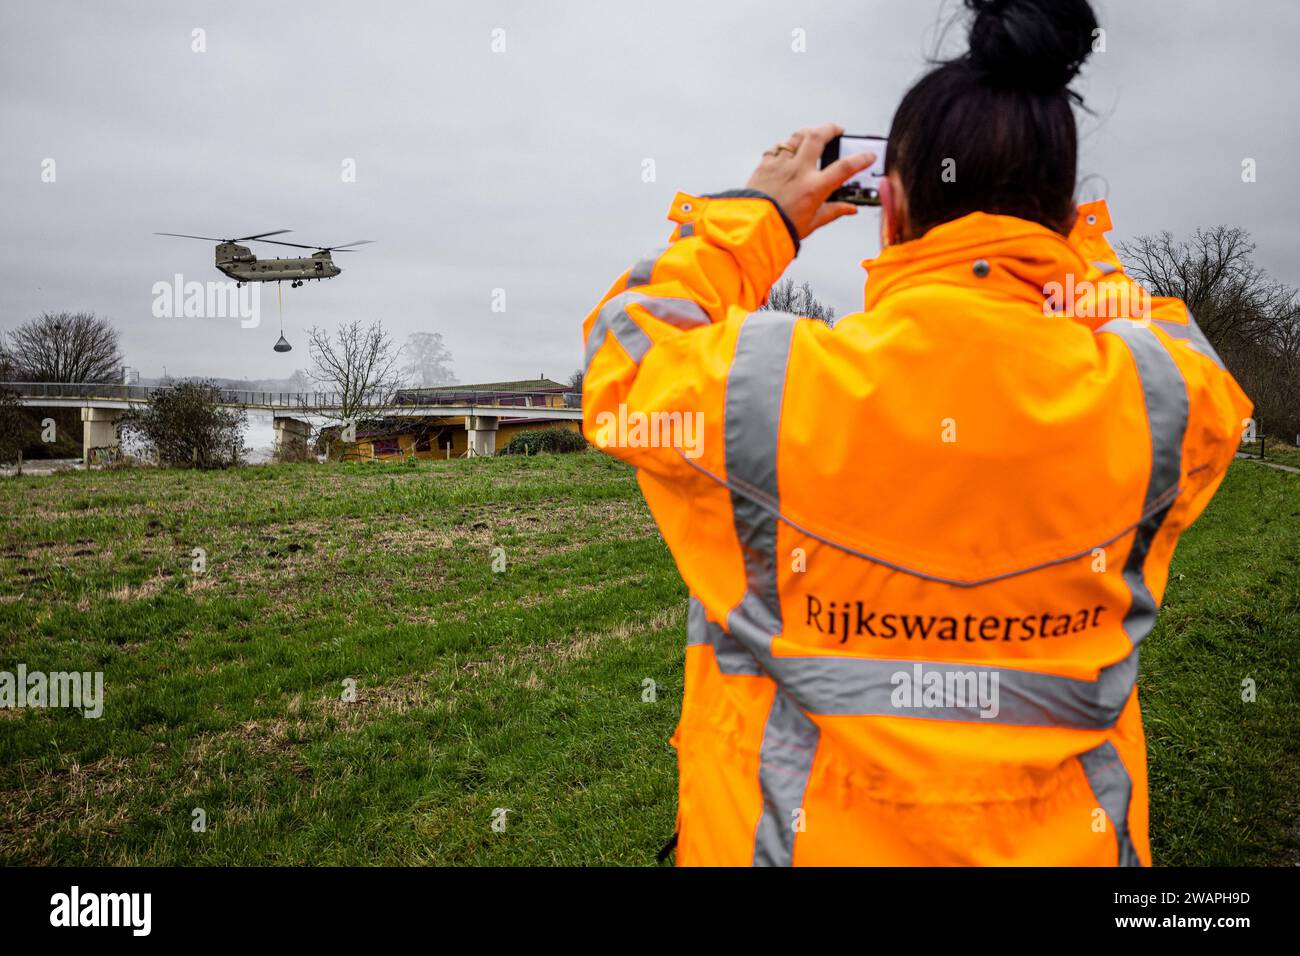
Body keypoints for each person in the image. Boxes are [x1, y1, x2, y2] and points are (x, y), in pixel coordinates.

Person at [580, 0, 1252, 866]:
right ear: (1062, 218)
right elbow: (1161, 334)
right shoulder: (1161, 399)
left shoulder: (769, 387)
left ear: (888, 207)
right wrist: (1058, 244)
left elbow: (626, 355)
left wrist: (757, 214)